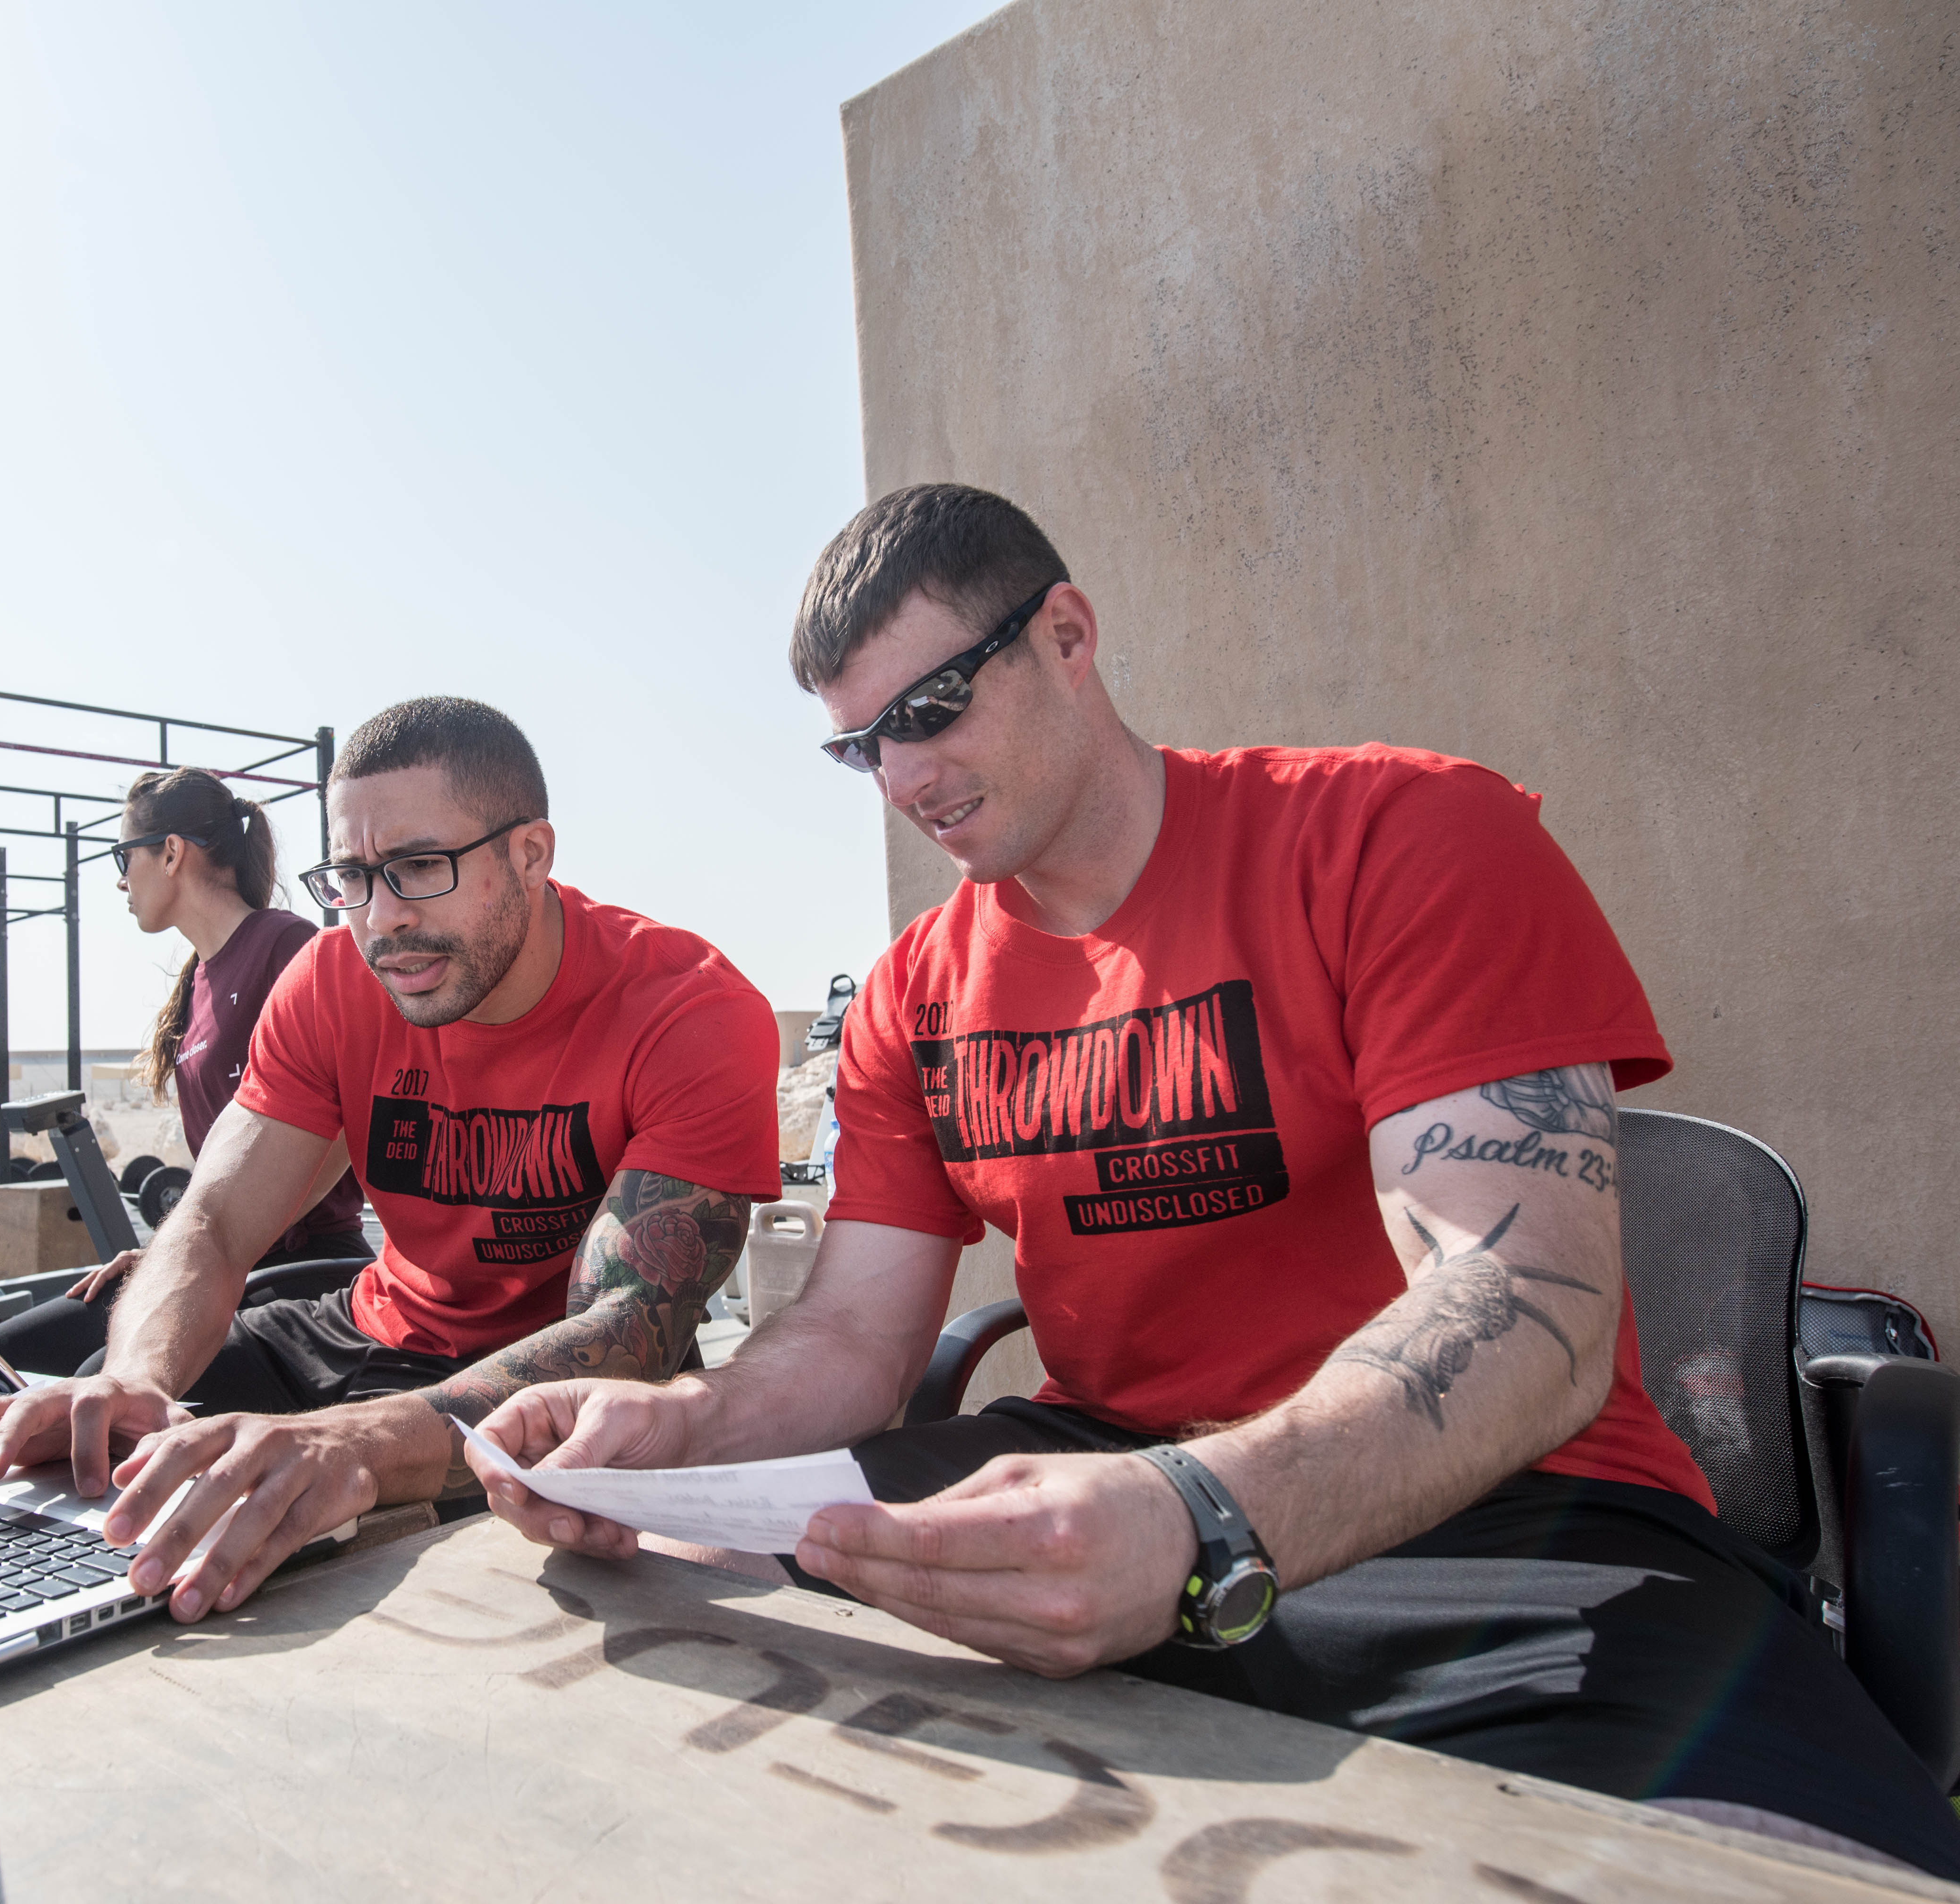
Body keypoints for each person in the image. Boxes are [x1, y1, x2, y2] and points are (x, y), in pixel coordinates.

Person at [467, 484, 1960, 1878]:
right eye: (862, 747)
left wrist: (1197, 1514)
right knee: (670, 1621)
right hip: (1099, 1477)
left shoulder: (1398, 835)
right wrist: (688, 1424)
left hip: (1502, 1520)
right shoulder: (913, 994)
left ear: (1067, 637)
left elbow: (1526, 1299)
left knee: (1783, 1861)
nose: (904, 778)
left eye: (931, 709)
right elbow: (854, 1336)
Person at [0, 697, 781, 1625]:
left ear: (531, 854)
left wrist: (357, 1444)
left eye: (419, 867)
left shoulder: (684, 1007)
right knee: (92, 1435)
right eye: (352, 877)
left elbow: (628, 1334)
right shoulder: (331, 980)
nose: (381, 918)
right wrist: (137, 1376)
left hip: (541, 1382)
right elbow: (213, 1221)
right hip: (360, 1333)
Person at [0, 766, 369, 1378]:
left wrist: (213, 1246)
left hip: (302, 1262)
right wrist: (172, 1252)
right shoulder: (196, 981)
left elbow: (348, 1125)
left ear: (170, 853)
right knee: (0, 1358)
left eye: (123, 856)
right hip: (222, 1259)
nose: (119, 879)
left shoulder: (285, 946)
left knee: (94, 1382)